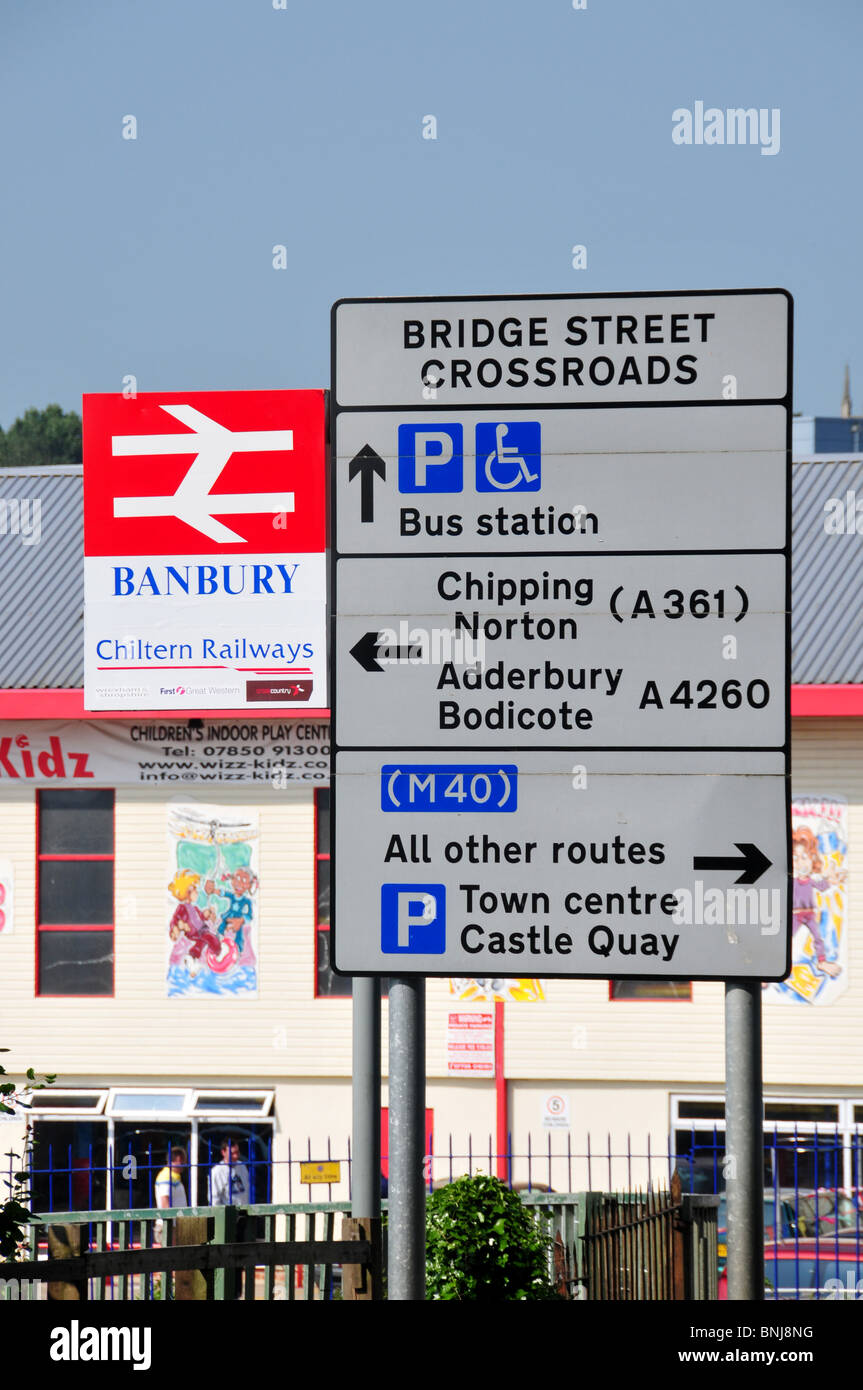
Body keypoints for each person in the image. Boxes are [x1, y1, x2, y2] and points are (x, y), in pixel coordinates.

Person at [154, 1146, 187, 1248]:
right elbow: (165, 1202)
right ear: (178, 1159)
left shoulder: (173, 1176)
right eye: (183, 1161)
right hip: (169, 1226)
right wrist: (170, 1224)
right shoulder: (166, 1176)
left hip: (174, 1225)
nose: (185, 1164)